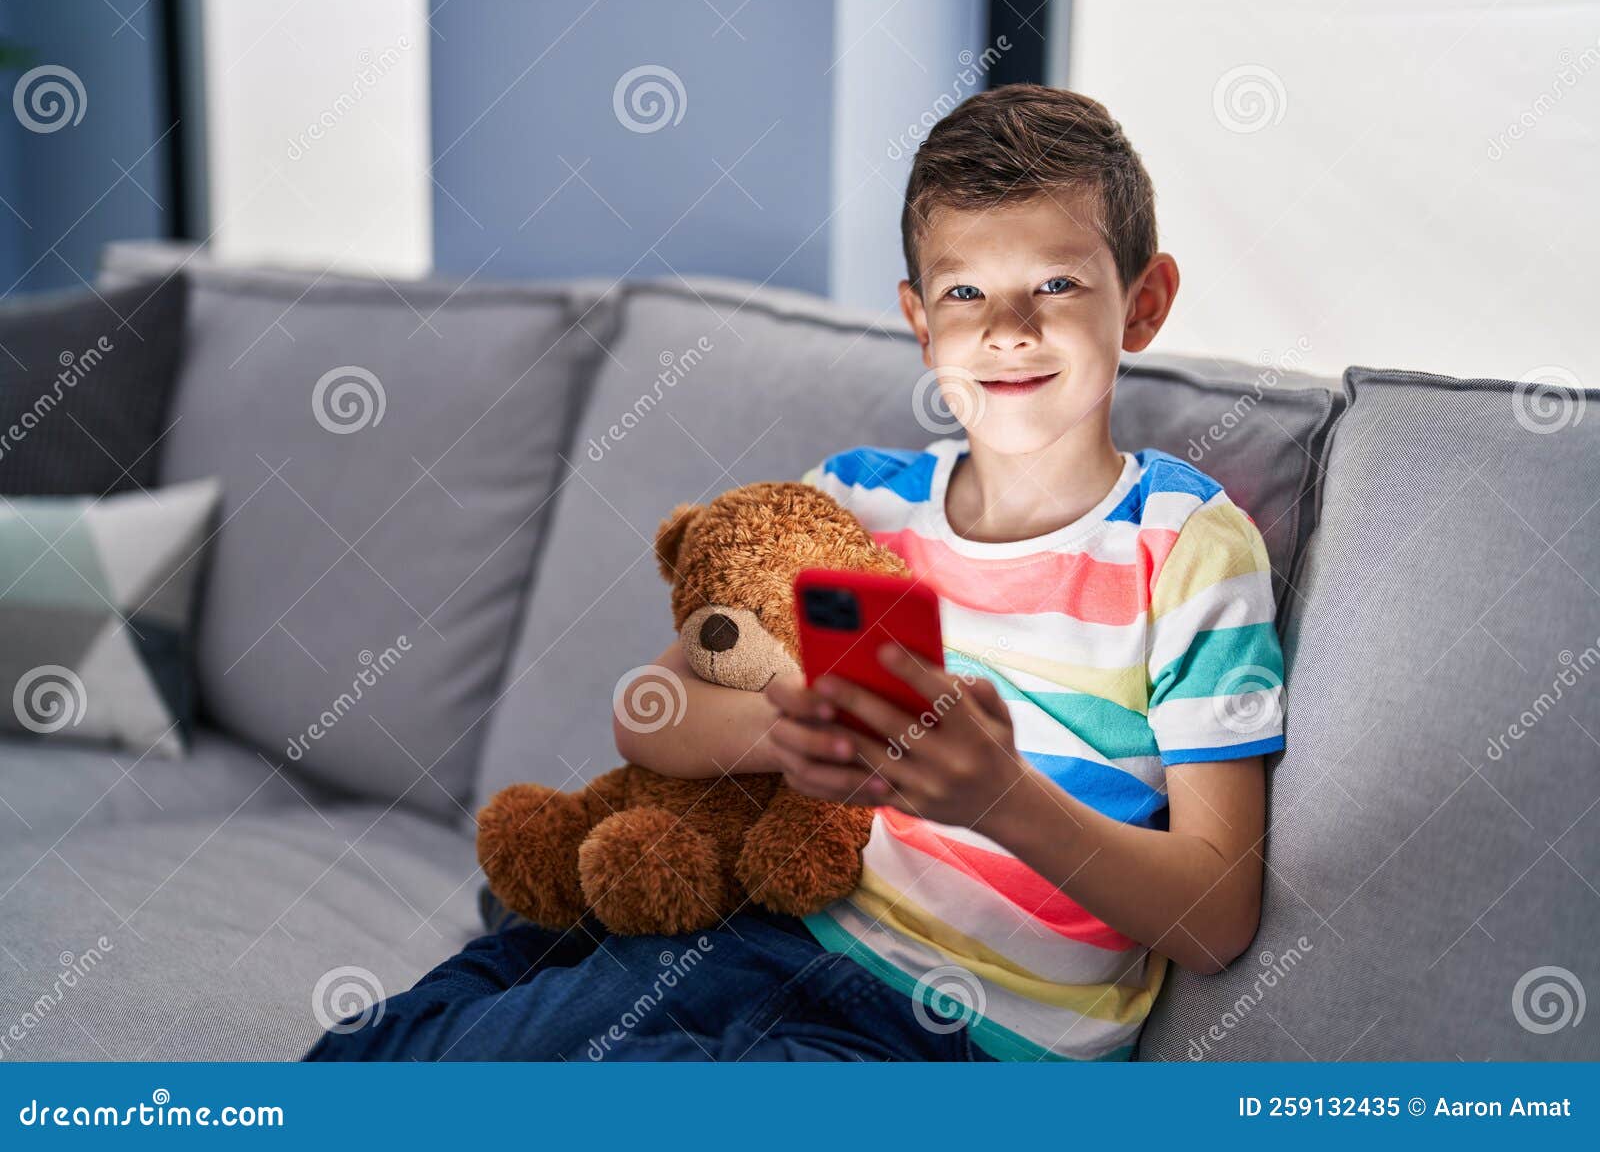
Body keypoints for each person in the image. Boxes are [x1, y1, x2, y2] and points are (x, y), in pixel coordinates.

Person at [307, 83, 1284, 1063]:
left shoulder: (1184, 544)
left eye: (1057, 285)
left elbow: (1214, 917)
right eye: (964, 293)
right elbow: (649, 706)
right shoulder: (855, 503)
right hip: (753, 933)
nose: (1007, 329)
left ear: (1143, 302)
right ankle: (518, 967)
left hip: (963, 1042)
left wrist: (999, 798)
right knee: (390, 1059)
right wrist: (792, 733)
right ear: (918, 318)